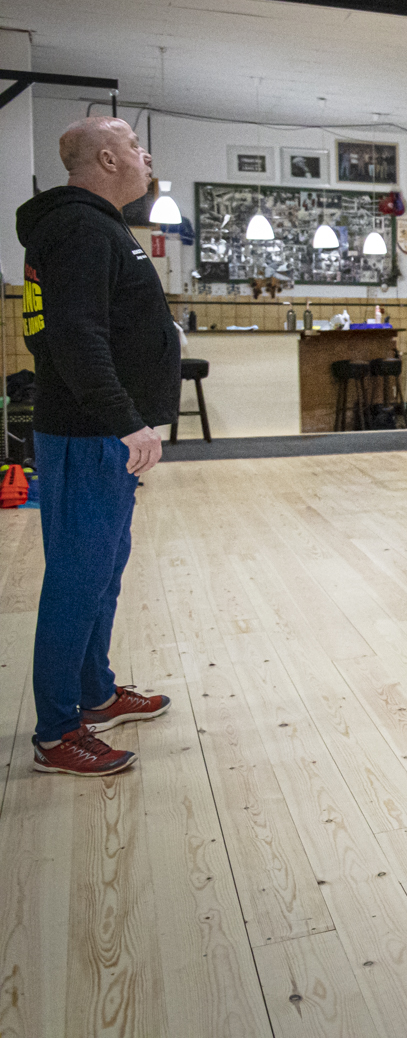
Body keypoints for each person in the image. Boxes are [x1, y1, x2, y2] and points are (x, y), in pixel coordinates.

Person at [15, 116, 177, 776]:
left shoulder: (92, 223)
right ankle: (58, 732)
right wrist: (126, 421)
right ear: (107, 159)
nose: (146, 156)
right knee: (77, 582)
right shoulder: (81, 226)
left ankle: (96, 693)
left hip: (100, 432)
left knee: (102, 573)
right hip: (91, 433)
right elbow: (74, 337)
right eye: (136, 147)